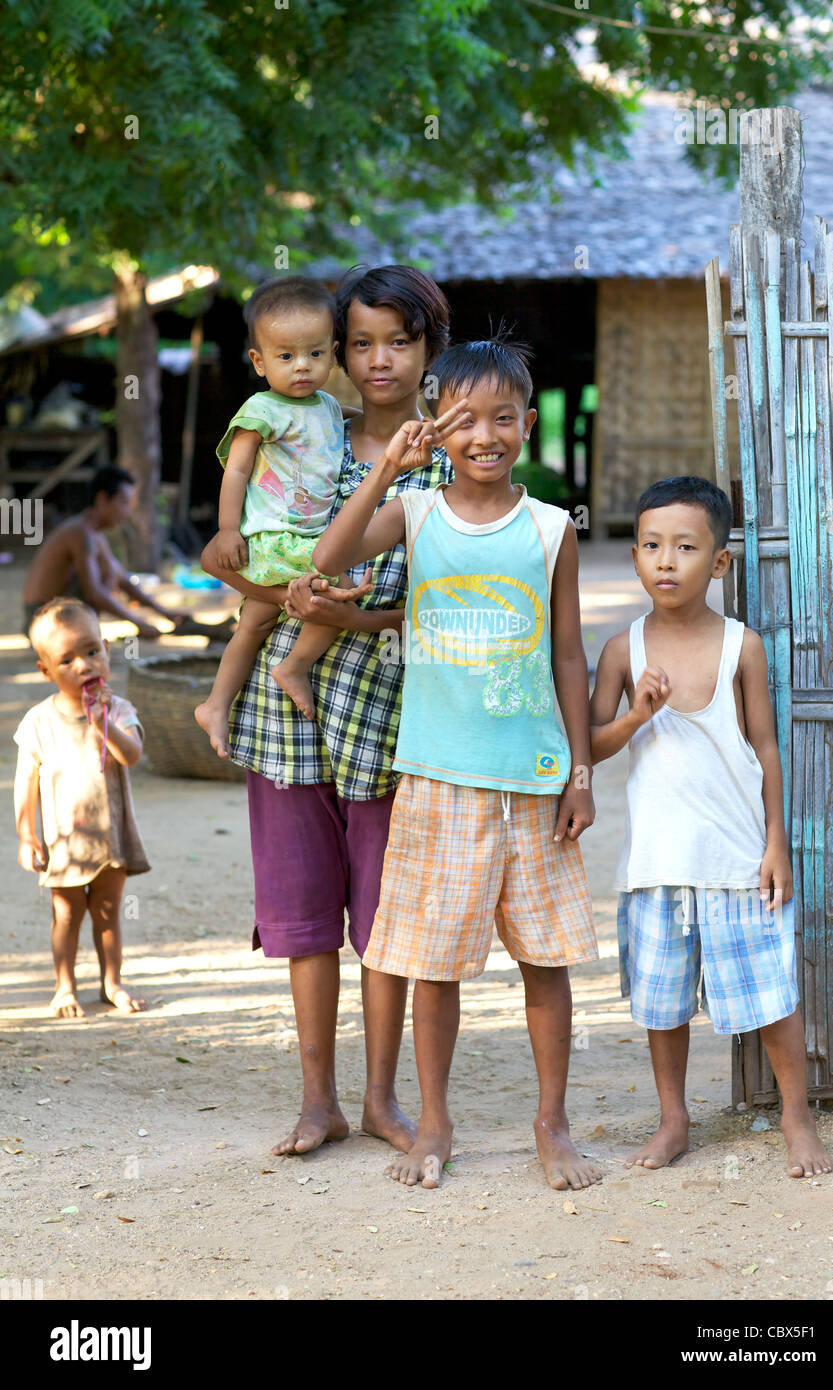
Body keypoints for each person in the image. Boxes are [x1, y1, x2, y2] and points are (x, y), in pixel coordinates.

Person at [313, 335, 600, 1193]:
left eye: (502, 418)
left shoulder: (552, 530)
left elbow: (570, 657)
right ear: (436, 425)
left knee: (545, 962)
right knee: (434, 964)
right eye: (464, 419)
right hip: (437, 778)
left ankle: (551, 1123)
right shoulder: (419, 512)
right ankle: (432, 1121)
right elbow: (329, 561)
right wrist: (388, 470)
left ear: (529, 422)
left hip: (533, 779)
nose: (485, 435)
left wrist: (581, 771)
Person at [202, 264, 453, 1159]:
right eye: (360, 343)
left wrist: (358, 616)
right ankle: (320, 1101)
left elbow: (463, 607)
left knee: (387, 917)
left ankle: (385, 1100)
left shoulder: (458, 461)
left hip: (393, 714)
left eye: (400, 341)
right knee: (305, 912)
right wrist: (265, 583)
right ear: (336, 351)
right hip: (288, 707)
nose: (378, 360)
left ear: (430, 347)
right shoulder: (303, 432)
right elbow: (222, 554)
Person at [588, 475, 832, 1180]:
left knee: (769, 995)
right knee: (662, 1004)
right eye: (652, 546)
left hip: (735, 858)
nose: (666, 561)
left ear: (719, 563)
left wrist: (777, 842)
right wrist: (637, 714)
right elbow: (594, 745)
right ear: (634, 555)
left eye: (686, 547)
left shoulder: (740, 648)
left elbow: (765, 746)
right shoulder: (621, 652)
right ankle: (674, 1118)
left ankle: (796, 1114)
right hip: (658, 863)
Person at [194, 276, 369, 757]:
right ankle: (294, 664)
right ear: (259, 361)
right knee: (340, 591)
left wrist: (370, 418)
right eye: (286, 356)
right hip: (277, 538)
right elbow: (237, 471)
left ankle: (215, 704)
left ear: (332, 353)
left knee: (251, 625)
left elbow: (344, 419)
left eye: (315, 354)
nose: (301, 368)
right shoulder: (262, 409)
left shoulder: (329, 406)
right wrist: (229, 529)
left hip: (303, 534)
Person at [14, 598, 150, 1019]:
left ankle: (112, 982)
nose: (84, 665)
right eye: (67, 659)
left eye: (92, 652)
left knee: (108, 916)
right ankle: (64, 987)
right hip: (64, 843)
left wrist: (103, 724)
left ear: (108, 649)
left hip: (110, 839)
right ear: (46, 671)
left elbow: (132, 755)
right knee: (66, 915)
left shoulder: (119, 710)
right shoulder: (38, 722)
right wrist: (27, 835)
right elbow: (26, 781)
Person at [22, 466, 186, 640]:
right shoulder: (80, 533)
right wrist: (138, 622)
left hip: (54, 616)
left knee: (110, 569)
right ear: (102, 499)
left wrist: (165, 612)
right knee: (105, 572)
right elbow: (93, 592)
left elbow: (123, 580)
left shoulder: (94, 534)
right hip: (43, 622)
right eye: (123, 503)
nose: (127, 512)